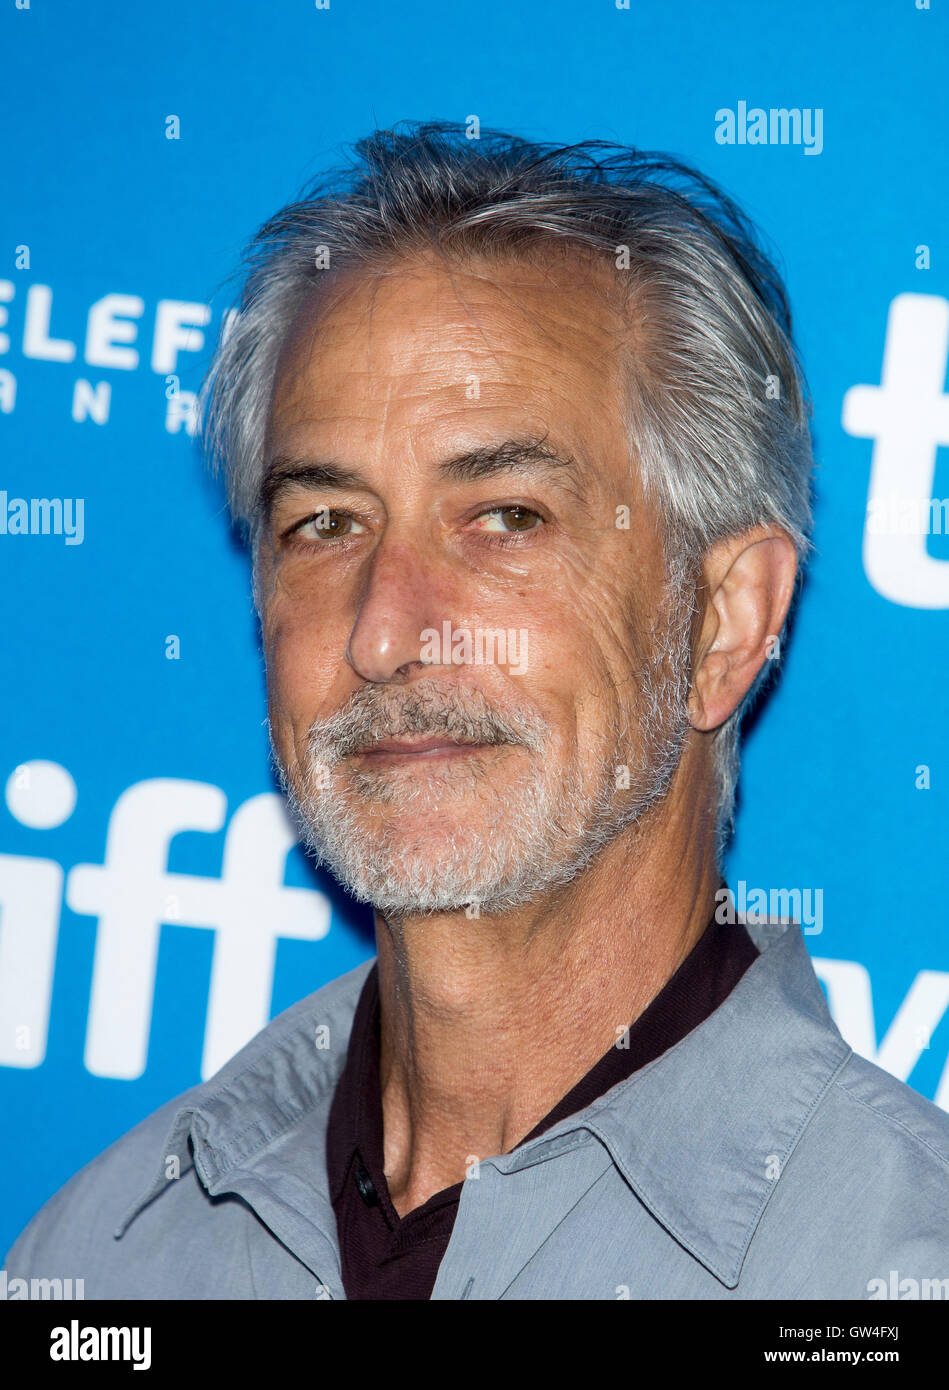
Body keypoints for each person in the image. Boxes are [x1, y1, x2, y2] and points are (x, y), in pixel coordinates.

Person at [6, 122, 947, 1300]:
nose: (385, 632)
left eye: (504, 516)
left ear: (721, 622)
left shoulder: (895, 1272)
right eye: (326, 523)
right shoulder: (101, 1262)